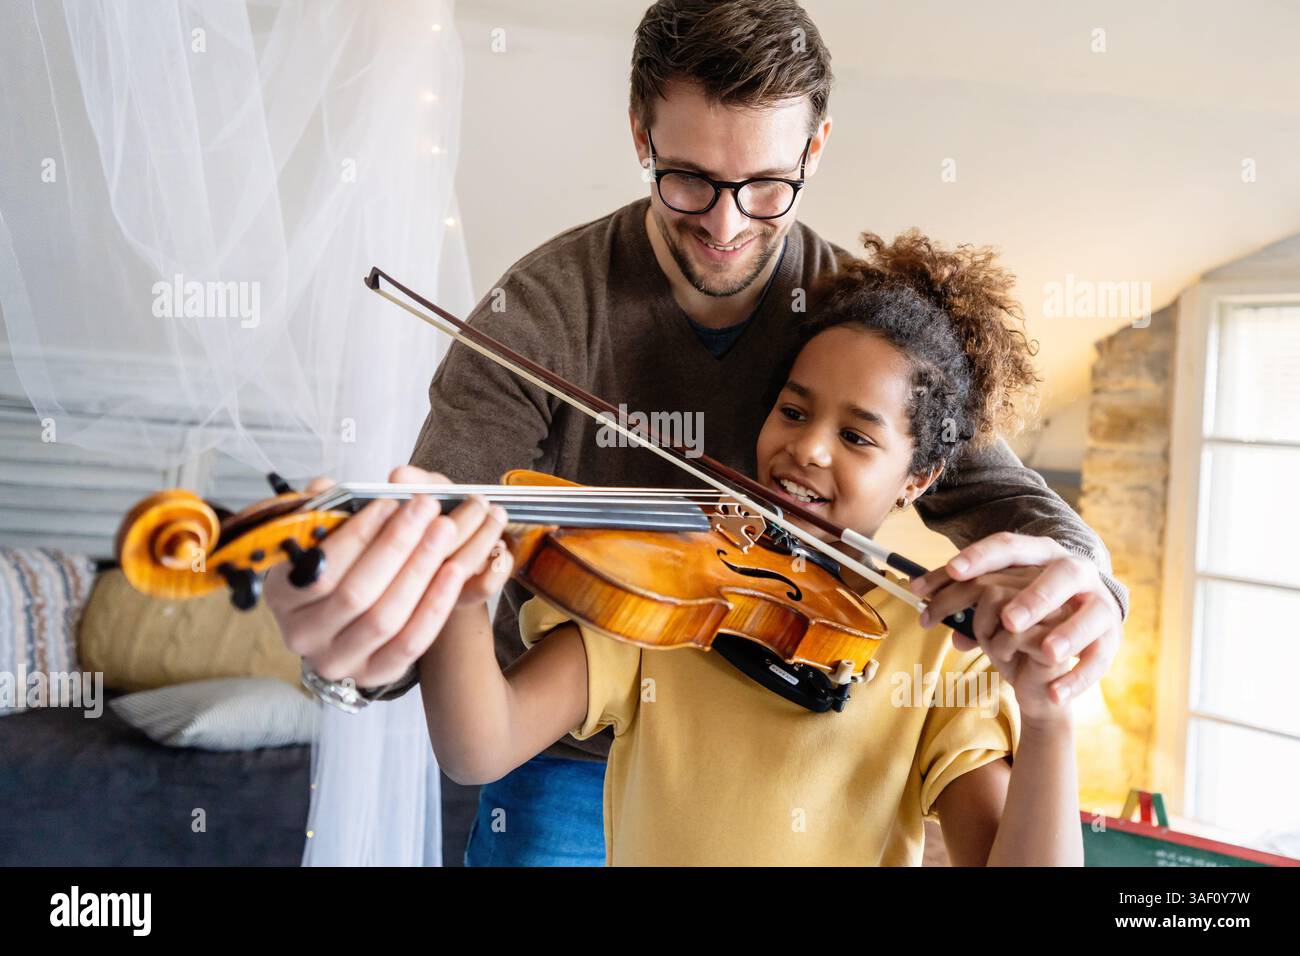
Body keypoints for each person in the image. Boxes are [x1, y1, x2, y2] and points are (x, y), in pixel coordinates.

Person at [267, 0, 1125, 866]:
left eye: (765, 186)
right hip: (570, 724)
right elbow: (433, 566)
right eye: (689, 180)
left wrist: (1083, 604)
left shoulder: (852, 324)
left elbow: (1000, 496)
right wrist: (349, 651)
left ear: (813, 148)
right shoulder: (534, 315)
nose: (726, 226)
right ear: (641, 133)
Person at [419, 229, 1083, 865]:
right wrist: (462, 596)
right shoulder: (672, 596)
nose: (808, 448)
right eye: (793, 412)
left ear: (919, 479)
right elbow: (480, 748)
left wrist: (1048, 721)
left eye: (857, 437)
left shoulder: (939, 648)